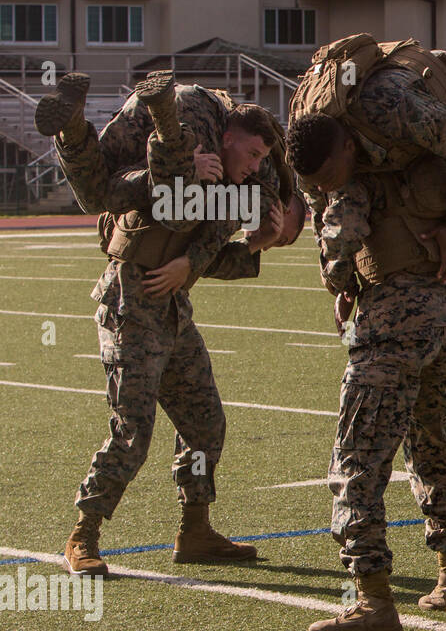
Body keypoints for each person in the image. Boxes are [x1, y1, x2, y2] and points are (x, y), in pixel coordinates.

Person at [287, 43, 446, 631]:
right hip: (445, 316)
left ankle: (372, 599)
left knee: (357, 463)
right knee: (429, 444)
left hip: (391, 328)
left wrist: (345, 280)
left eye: (329, 179)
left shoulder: (390, 116)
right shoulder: (360, 162)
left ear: (348, 145)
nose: (326, 191)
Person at [35, 71, 299, 576]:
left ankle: (195, 529)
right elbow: (170, 218)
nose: (255, 167)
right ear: (225, 138)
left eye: (263, 161)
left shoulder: (235, 184)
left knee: (205, 422)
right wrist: (195, 248)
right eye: (252, 156)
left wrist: (242, 248)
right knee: (132, 431)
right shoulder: (205, 143)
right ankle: (82, 535)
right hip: (132, 300)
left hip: (172, 307)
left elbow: (215, 248)